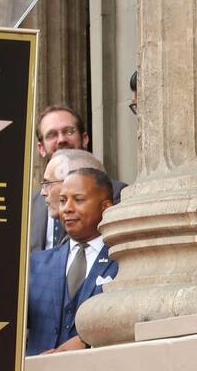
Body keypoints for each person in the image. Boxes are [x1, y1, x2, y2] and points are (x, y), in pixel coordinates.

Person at [26, 168, 118, 355]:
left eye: (78, 199)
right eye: (62, 200)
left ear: (105, 207)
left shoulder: (121, 260)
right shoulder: (34, 264)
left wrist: (87, 340)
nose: (67, 208)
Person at [29, 106, 126, 250]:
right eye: (52, 135)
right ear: (41, 148)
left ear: (85, 139)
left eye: (69, 131)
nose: (61, 139)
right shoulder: (29, 205)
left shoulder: (117, 194)